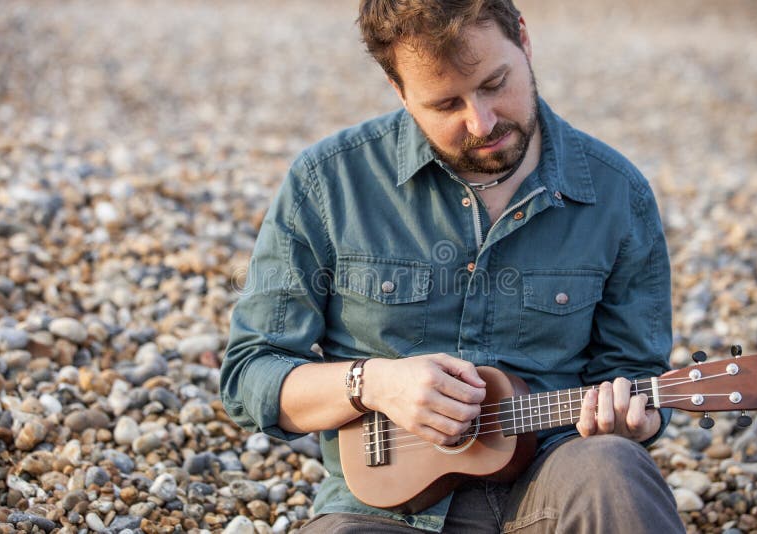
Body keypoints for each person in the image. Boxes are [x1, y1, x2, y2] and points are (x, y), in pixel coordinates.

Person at [221, 1, 685, 532]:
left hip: (557, 481)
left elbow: (635, 372)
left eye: (494, 84)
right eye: (446, 104)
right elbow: (250, 373)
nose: (482, 122)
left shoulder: (617, 193)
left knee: (616, 469)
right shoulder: (327, 183)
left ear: (524, 40)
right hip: (382, 512)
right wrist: (372, 383)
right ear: (399, 90)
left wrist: (633, 421)